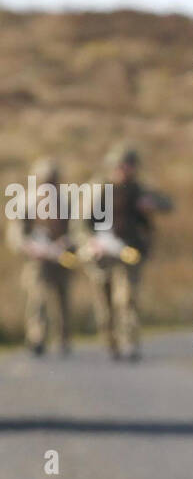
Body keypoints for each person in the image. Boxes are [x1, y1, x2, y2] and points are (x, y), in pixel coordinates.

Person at [84, 144, 172, 359]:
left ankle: (130, 343)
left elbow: (167, 203)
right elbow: (82, 224)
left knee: (127, 300)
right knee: (104, 305)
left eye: (130, 166)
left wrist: (151, 204)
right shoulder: (98, 189)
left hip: (130, 253)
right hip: (102, 255)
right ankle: (110, 344)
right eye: (121, 166)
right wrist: (91, 242)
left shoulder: (139, 190)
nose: (125, 170)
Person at [8, 158, 76, 356]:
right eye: (44, 180)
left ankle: (63, 338)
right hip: (37, 259)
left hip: (62, 257)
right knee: (37, 297)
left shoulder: (66, 201)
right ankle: (37, 337)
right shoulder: (26, 201)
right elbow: (16, 232)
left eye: (52, 180)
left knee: (62, 298)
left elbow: (76, 227)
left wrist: (65, 243)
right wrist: (29, 246)